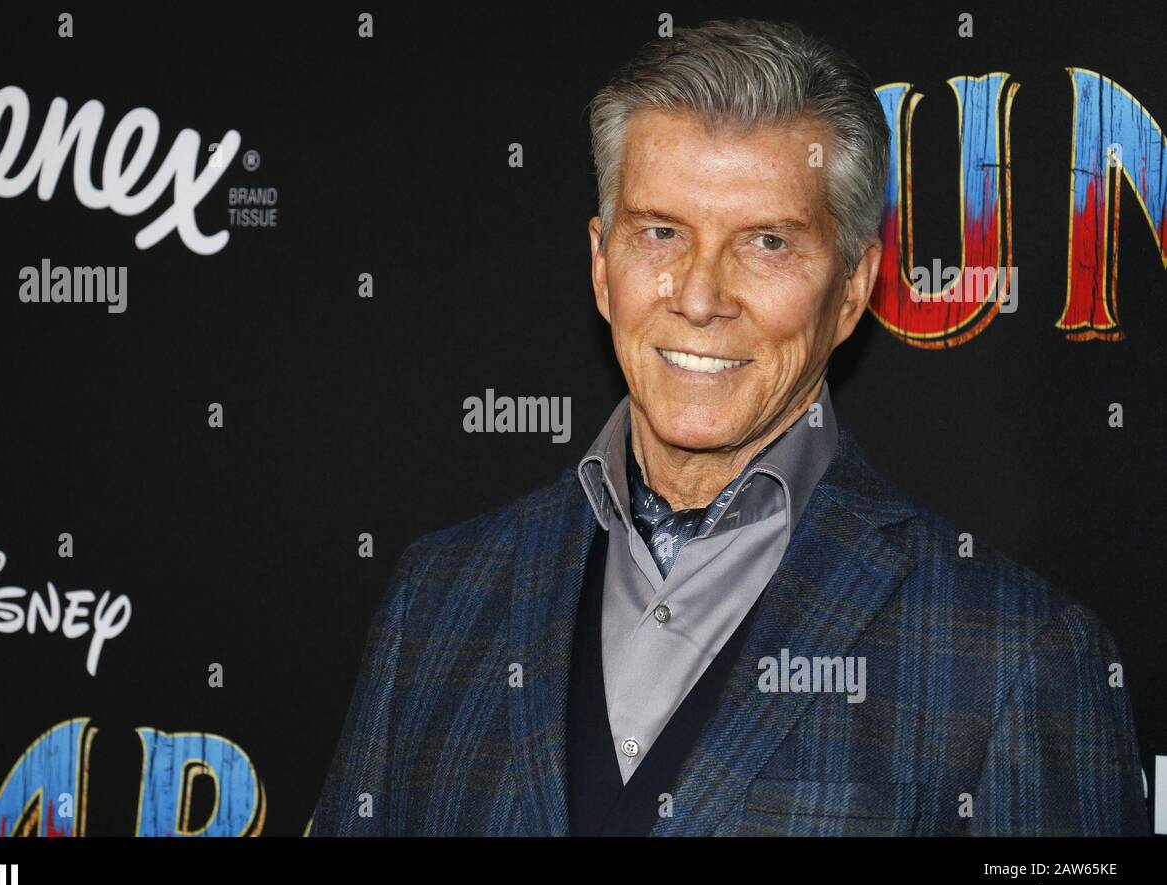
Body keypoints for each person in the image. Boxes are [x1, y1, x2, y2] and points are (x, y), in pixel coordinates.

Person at [307, 18, 1148, 836]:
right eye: (661, 232)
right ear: (602, 267)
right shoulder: (440, 600)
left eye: (768, 243)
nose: (701, 296)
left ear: (854, 288)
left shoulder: (1014, 658)